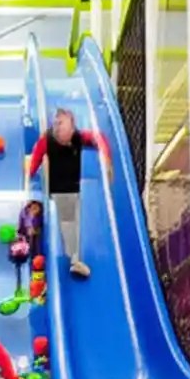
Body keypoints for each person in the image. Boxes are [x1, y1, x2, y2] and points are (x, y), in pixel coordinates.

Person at [27, 108, 112, 279]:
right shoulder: (49, 140)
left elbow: (98, 138)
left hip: (70, 188)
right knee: (68, 221)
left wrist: (106, 156)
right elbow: (37, 154)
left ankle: (72, 257)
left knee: (70, 221)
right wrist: (31, 172)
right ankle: (73, 259)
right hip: (61, 190)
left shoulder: (76, 137)